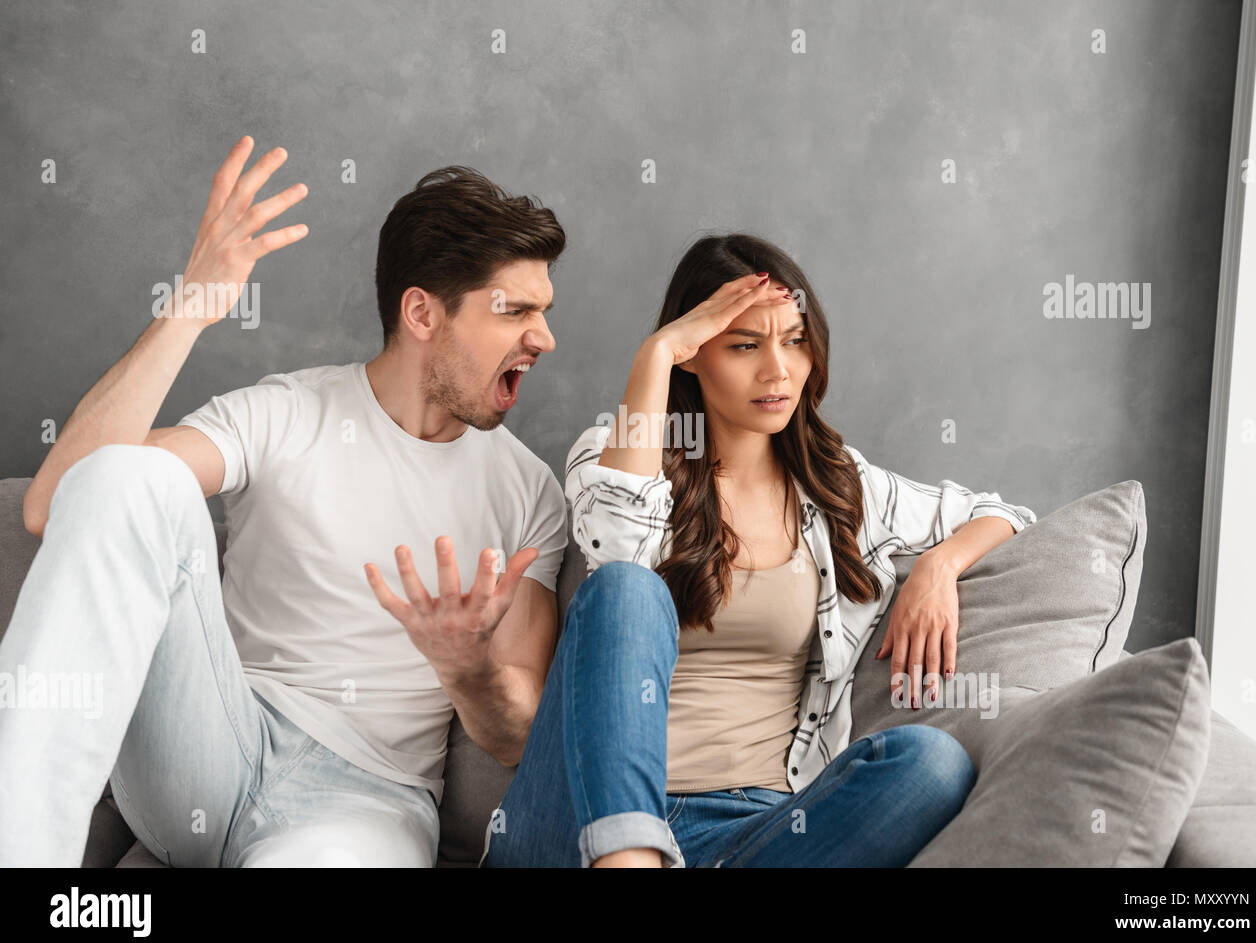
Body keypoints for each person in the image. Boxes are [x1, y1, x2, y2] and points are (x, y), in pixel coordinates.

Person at [0, 136, 569, 867]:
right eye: (516, 310)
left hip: (363, 801)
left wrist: (464, 668)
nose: (544, 337)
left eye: (544, 310)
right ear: (423, 315)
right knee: (131, 476)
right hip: (209, 745)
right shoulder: (285, 413)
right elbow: (61, 502)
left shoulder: (528, 495)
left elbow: (519, 734)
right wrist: (194, 306)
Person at [481, 233, 1037, 867]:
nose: (777, 370)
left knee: (932, 763)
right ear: (692, 356)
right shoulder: (612, 452)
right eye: (745, 346)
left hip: (748, 830)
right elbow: (620, 552)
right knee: (628, 590)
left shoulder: (839, 488)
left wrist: (939, 567)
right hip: (578, 822)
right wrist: (657, 354)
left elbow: (1005, 513)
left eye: (794, 340)